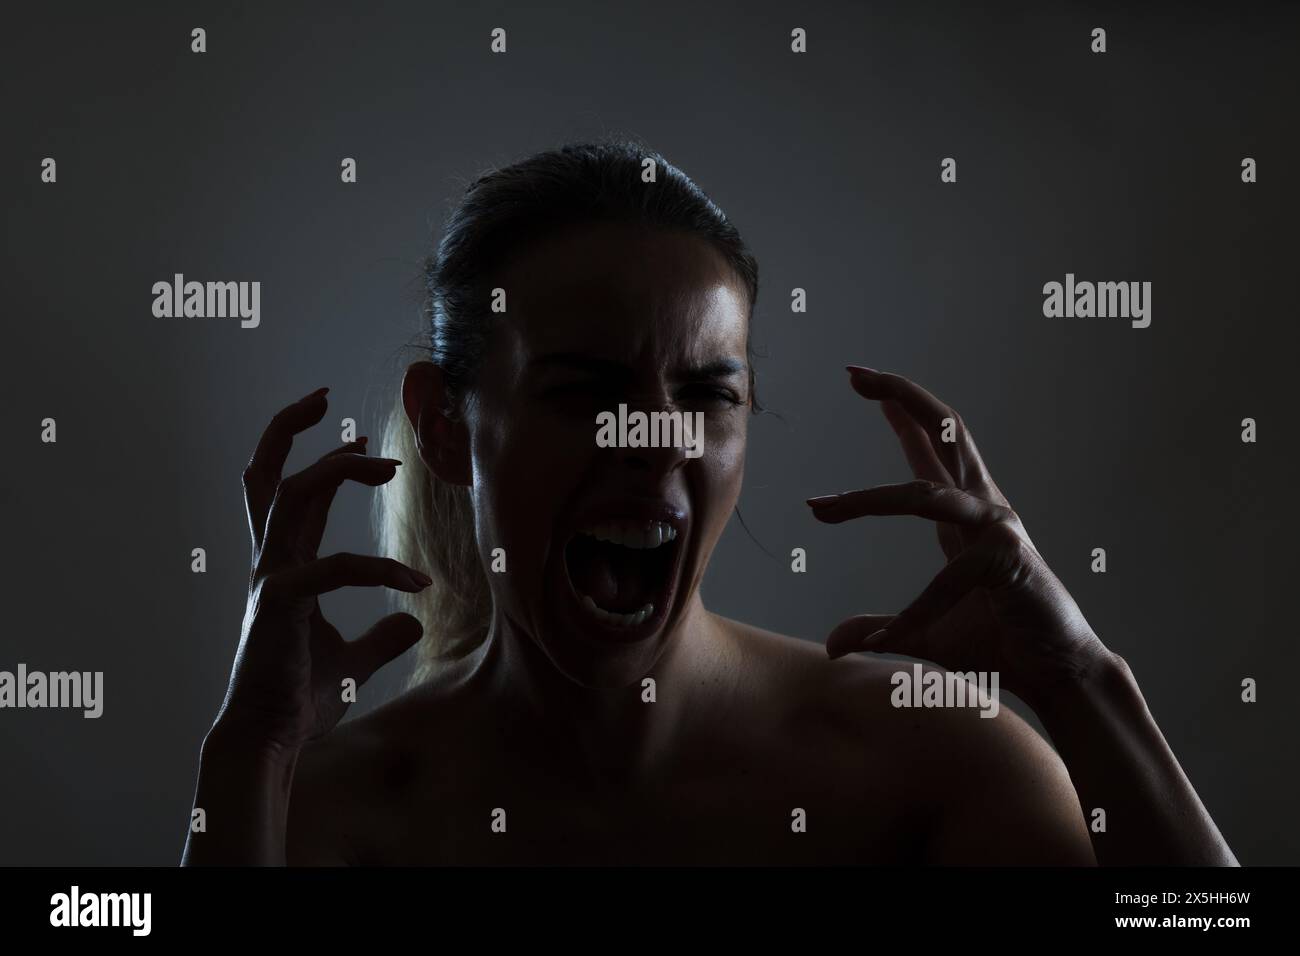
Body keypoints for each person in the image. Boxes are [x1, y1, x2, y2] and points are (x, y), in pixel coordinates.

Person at [181, 140, 1237, 865]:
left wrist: (1085, 685)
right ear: (450, 424)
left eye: (706, 393)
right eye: (585, 390)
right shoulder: (338, 808)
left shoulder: (934, 760)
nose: (656, 440)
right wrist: (249, 755)